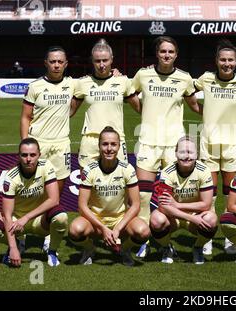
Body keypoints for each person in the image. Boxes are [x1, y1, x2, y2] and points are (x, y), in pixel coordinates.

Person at [127, 36, 200, 258]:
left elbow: (194, 104)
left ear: (176, 55)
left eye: (171, 52)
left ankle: (165, 241)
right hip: (148, 140)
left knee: (172, 196)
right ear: (156, 54)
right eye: (163, 52)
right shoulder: (143, 74)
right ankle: (145, 239)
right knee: (144, 196)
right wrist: (144, 109)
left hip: (174, 145)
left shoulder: (184, 79)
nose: (166, 55)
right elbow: (130, 93)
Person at [193, 39, 236, 256]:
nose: (227, 63)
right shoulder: (206, 79)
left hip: (232, 146)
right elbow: (187, 92)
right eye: (223, 60)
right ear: (216, 61)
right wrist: (201, 109)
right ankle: (207, 235)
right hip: (208, 144)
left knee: (232, 195)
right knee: (208, 195)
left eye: (230, 60)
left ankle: (231, 237)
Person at [68, 126, 150, 266]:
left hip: (120, 222)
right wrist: (103, 228)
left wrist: (117, 228)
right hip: (95, 223)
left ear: (119, 146)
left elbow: (136, 204)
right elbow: (82, 206)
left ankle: (125, 249)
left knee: (143, 232)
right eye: (105, 144)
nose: (109, 148)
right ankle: (89, 249)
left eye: (113, 144)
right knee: (75, 230)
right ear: (99, 146)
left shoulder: (127, 169)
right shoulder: (89, 170)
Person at [21, 46, 75, 253]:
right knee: (31, 191)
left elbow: (96, 79)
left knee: (55, 195)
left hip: (61, 145)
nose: (56, 65)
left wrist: (115, 72)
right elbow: (26, 117)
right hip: (38, 144)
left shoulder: (72, 84)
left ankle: (48, 234)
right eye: (52, 61)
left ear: (66, 64)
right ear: (46, 63)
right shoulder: (35, 86)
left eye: (60, 61)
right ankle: (23, 232)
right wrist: (26, 144)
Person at [0, 138, 68, 267]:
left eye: (32, 155)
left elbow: (54, 199)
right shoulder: (11, 177)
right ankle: (17, 244)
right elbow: (7, 214)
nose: (28, 159)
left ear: (39, 155)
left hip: (39, 221)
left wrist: (26, 217)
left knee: (61, 217)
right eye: (24, 155)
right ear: (19, 156)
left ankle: (52, 251)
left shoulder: (46, 166)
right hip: (16, 222)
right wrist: (12, 248)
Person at [71, 38, 139, 170]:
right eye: (97, 61)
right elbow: (69, 111)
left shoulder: (123, 81)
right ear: (92, 61)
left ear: (112, 59)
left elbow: (140, 108)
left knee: (119, 182)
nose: (101, 64)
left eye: (105, 60)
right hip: (90, 140)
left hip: (116, 139)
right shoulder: (82, 83)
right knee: (87, 184)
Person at [149, 136, 217, 264]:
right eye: (182, 152)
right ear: (175, 153)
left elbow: (206, 204)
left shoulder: (204, 171)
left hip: (194, 216)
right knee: (156, 220)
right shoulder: (167, 172)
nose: (186, 156)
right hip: (173, 217)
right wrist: (191, 218)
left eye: (190, 152)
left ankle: (198, 248)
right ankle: (167, 248)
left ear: (197, 154)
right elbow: (163, 207)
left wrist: (176, 205)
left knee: (211, 220)